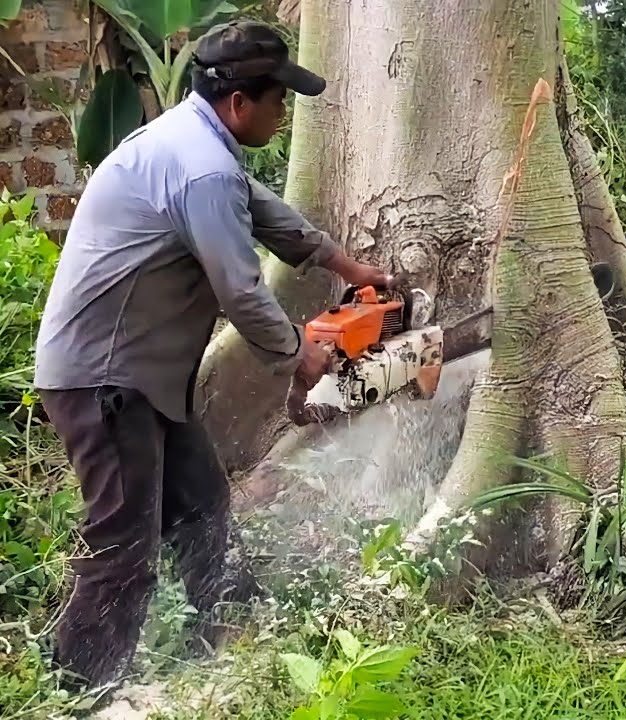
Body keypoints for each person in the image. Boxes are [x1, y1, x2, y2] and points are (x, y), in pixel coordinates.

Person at [32, 20, 390, 690]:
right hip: (106, 382)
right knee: (124, 549)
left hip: (142, 379)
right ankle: (78, 693)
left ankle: (219, 654)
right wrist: (300, 356)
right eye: (278, 99)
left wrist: (351, 267)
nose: (284, 112)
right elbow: (241, 291)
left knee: (202, 505)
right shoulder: (200, 168)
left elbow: (269, 215)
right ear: (239, 104)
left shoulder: (194, 145)